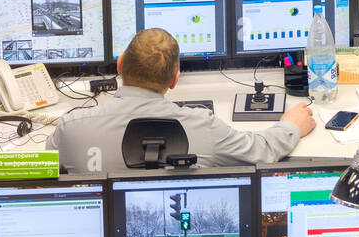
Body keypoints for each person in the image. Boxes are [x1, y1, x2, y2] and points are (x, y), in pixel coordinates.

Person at [47, 28, 314, 174]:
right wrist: (291, 125)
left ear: (120, 66)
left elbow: (42, 166)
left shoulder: (72, 127)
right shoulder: (203, 126)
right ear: (175, 79)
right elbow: (262, 150)